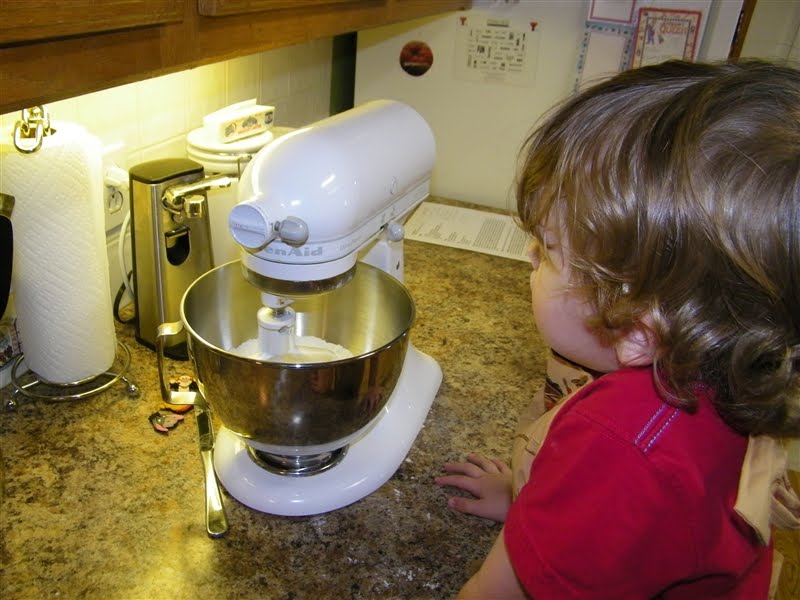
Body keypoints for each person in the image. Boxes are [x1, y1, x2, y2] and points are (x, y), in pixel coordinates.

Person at [436, 59, 800, 599]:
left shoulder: (617, 443)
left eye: (548, 249)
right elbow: (626, 525)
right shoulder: (737, 365)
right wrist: (537, 510)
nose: (530, 255)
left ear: (639, 329)